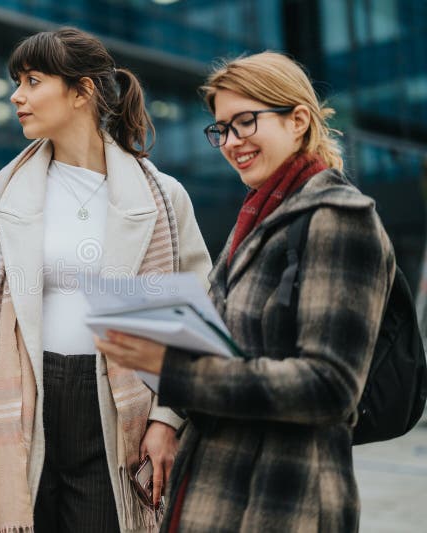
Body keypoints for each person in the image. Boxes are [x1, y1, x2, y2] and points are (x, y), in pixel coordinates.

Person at [0, 27, 211, 533]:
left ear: (83, 92)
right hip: (20, 403)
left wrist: (168, 421)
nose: (17, 96)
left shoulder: (161, 198)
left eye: (33, 81)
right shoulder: (4, 194)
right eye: (17, 82)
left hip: (118, 410)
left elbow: (190, 329)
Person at [96, 51, 395, 532]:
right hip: (216, 495)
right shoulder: (257, 221)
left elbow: (329, 388)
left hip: (284, 505)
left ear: (298, 120)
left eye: (245, 122)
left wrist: (178, 372)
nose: (231, 142)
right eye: (221, 129)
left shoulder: (338, 220)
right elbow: (227, 353)